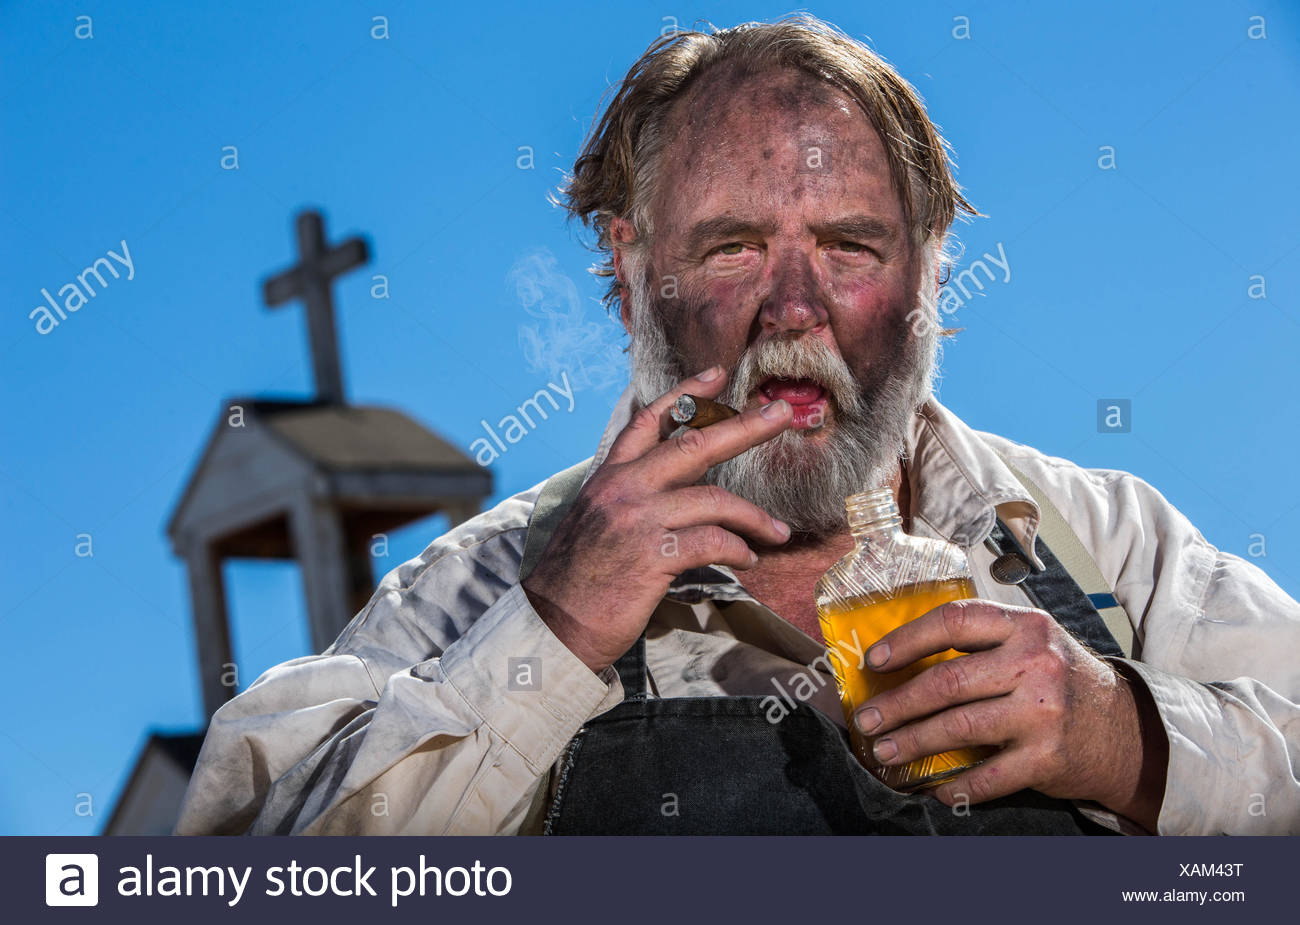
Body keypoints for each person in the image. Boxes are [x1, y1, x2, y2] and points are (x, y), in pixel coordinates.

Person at [176, 14, 1300, 836]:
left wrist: (1128, 741)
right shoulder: (474, 590)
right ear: (626, 273)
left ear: (929, 274)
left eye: (851, 248)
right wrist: (551, 630)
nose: (795, 311)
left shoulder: (1104, 543)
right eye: (732, 248)